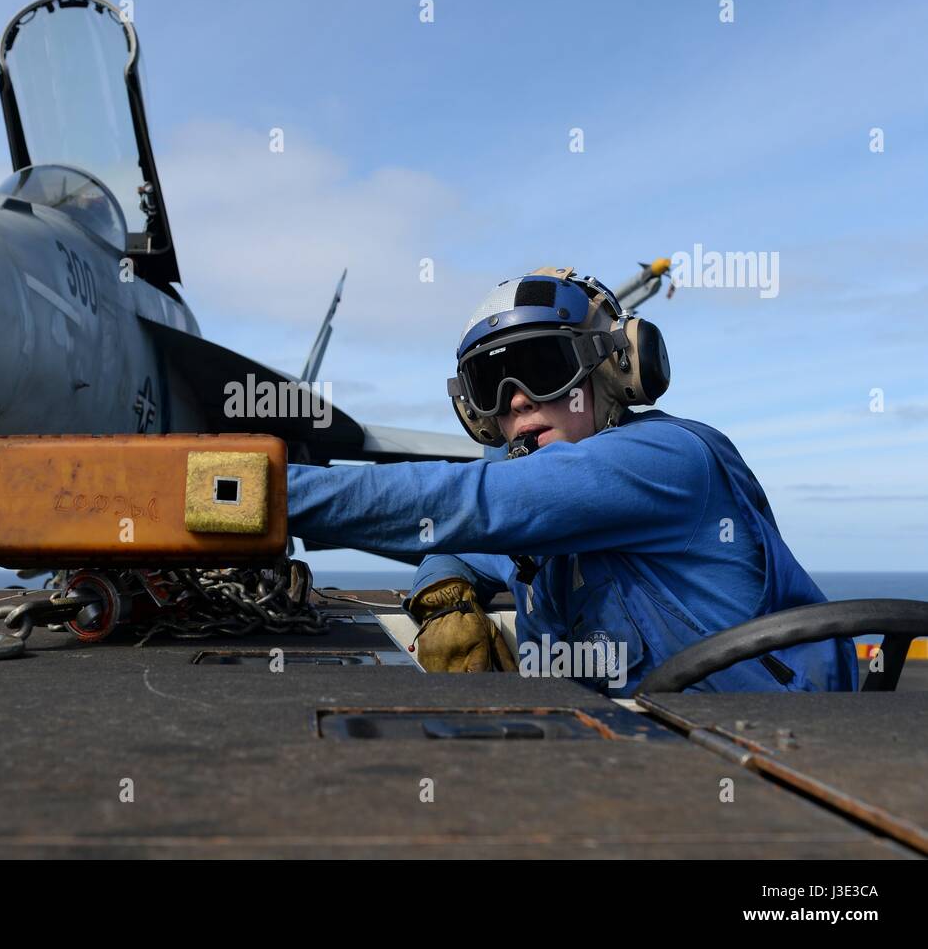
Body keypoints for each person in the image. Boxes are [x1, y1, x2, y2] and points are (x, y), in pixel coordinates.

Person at [286, 266, 857, 694]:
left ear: (615, 370)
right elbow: (459, 543)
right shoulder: (532, 502)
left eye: (542, 370)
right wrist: (443, 598)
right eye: (493, 384)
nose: (517, 400)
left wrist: (265, 490)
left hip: (766, 752)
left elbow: (467, 503)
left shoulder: (668, 457)